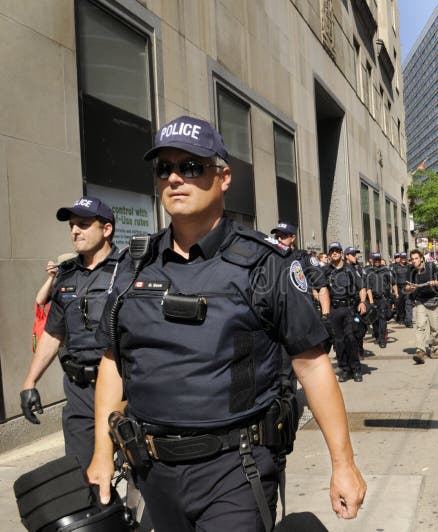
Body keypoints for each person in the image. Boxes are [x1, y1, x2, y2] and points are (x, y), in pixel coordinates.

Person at [86, 116, 366, 530]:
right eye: (164, 168)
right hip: (151, 472)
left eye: (191, 166)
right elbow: (113, 360)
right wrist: (100, 452)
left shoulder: (266, 263)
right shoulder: (132, 264)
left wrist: (343, 463)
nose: (175, 178)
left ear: (224, 176)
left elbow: (313, 365)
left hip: (235, 470)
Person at [20, 197, 120, 471]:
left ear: (106, 229)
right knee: (81, 476)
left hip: (124, 388)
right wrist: (30, 382)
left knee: (140, 476)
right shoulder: (66, 276)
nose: (75, 231)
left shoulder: (127, 271)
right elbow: (53, 334)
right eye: (72, 225)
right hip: (79, 392)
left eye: (84, 225)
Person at [324, 243, 368, 382]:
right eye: (332, 251)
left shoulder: (350, 269)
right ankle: (344, 369)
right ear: (329, 254)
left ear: (341, 253)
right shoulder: (325, 270)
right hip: (334, 310)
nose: (335, 253)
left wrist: (362, 302)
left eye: (337, 251)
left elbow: (361, 287)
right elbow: (318, 288)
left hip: (349, 309)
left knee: (351, 339)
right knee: (339, 342)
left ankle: (356, 369)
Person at [271, 221, 330, 319]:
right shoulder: (273, 258)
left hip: (304, 312)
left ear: (293, 238)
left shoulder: (305, 258)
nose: (279, 239)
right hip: (281, 314)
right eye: (277, 237)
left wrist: (325, 316)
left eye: (283, 236)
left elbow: (322, 286)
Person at [405, 248, 438, 364]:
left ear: (421, 258)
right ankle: (420, 351)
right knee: (420, 326)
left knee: (434, 328)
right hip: (420, 302)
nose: (414, 261)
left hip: (433, 300)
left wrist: (436, 283)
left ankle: (433, 349)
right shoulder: (410, 271)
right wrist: (410, 288)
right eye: (412, 259)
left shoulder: (431, 267)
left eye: (416, 258)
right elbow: (406, 287)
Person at [365, 252, 397, 348]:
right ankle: (377, 335)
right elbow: (368, 288)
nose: (377, 262)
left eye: (378, 260)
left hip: (383, 298)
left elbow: (393, 283)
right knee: (374, 319)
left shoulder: (386, 271)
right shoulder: (368, 272)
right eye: (375, 260)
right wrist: (370, 301)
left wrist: (396, 293)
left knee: (382, 319)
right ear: (372, 261)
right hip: (373, 299)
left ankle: (382, 340)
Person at [391, 252, 413, 327]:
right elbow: (392, 279)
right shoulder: (395, 267)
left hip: (408, 287)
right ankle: (401, 318)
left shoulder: (410, 266)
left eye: (405, 257)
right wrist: (394, 291)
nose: (404, 259)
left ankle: (409, 321)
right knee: (400, 304)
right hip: (399, 287)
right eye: (402, 257)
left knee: (408, 304)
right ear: (400, 258)